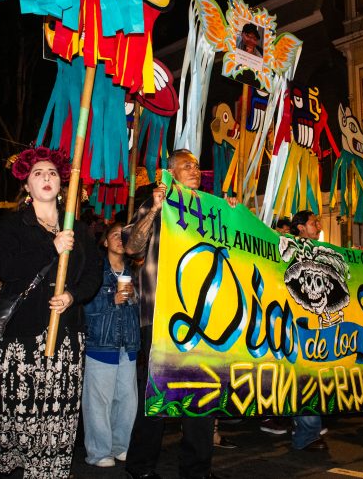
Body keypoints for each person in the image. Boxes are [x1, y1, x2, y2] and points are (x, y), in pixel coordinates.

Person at [0, 146, 101, 478]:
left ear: (63, 184)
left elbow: (93, 275)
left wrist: (72, 296)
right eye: (38, 174)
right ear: (27, 186)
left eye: (53, 174)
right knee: (18, 409)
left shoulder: (80, 230)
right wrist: (51, 246)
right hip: (21, 337)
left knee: (54, 412)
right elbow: (7, 267)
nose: (46, 178)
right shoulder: (12, 225)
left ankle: (50, 468)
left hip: (66, 338)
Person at [123, 149, 220, 479]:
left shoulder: (209, 210)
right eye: (186, 166)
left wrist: (232, 214)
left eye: (196, 165)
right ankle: (140, 468)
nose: (194, 170)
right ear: (170, 173)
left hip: (203, 322)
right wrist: (156, 209)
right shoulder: (155, 204)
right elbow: (132, 247)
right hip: (161, 319)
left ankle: (197, 470)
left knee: (203, 398)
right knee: (158, 397)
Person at [82, 222, 140, 468]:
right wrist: (111, 299)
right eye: (114, 235)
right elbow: (84, 305)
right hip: (101, 344)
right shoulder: (95, 270)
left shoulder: (135, 272)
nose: (119, 238)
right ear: (104, 242)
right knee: (99, 402)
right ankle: (98, 451)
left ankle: (120, 446)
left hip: (128, 345)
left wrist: (135, 298)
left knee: (127, 401)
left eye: (123, 235)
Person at [281, 210, 328, 451]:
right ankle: (306, 433)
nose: (318, 226)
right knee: (305, 378)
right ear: (300, 228)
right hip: (298, 326)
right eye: (313, 223)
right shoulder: (290, 249)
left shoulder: (321, 253)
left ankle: (307, 430)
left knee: (313, 378)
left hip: (318, 325)